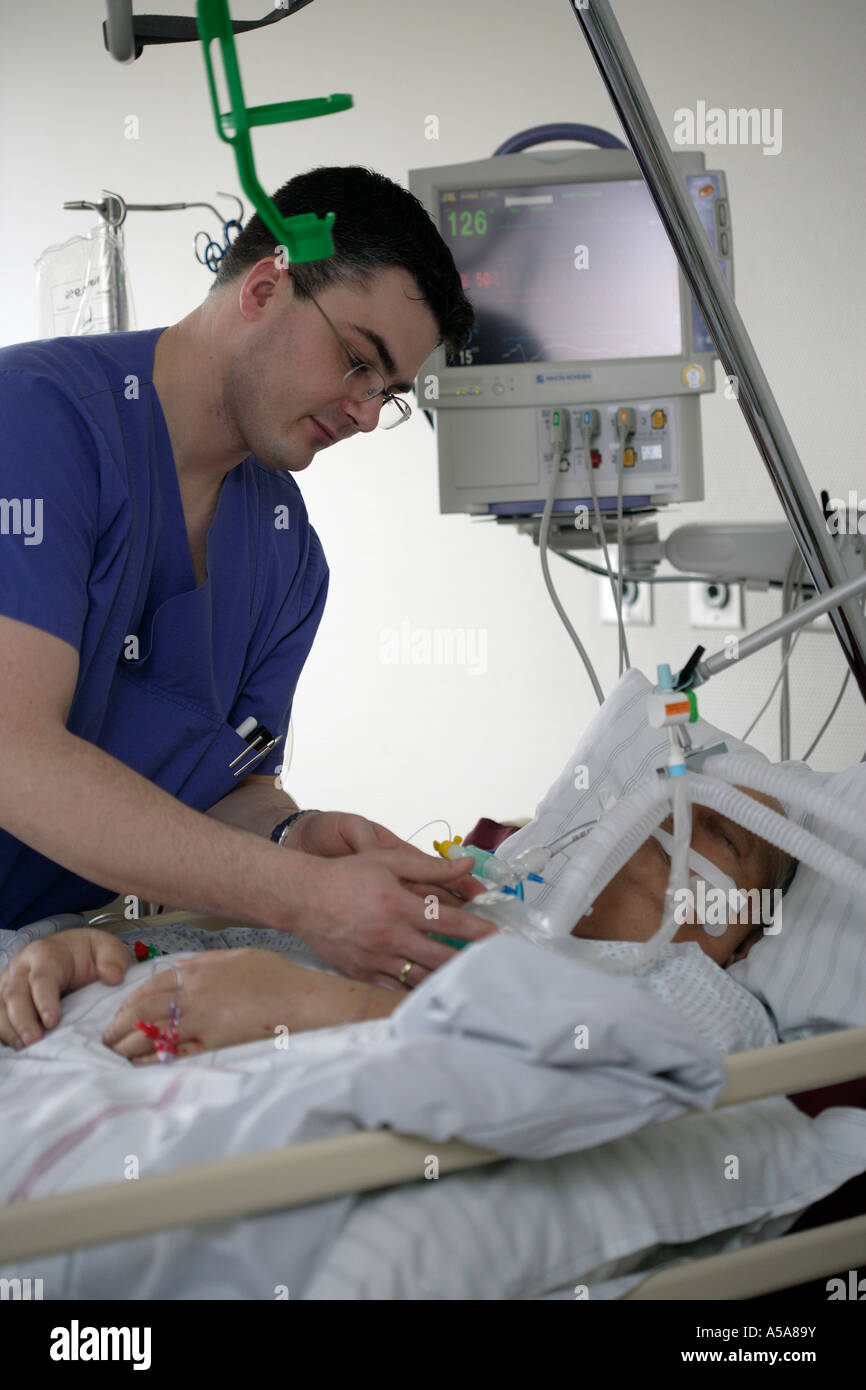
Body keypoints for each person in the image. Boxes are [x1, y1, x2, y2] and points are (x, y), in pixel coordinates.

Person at [0, 165, 493, 981]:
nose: (366, 414)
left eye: (390, 394)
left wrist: (296, 838)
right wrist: (299, 896)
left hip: (46, 957)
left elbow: (223, 783)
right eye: (358, 362)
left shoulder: (286, 553)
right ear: (266, 287)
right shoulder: (37, 424)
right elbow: (16, 754)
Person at [0, 790, 796, 1057]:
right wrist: (103, 947)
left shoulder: (694, 994)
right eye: (669, 801)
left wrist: (313, 1006)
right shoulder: (470, 908)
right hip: (104, 1021)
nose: (674, 821)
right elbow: (240, 945)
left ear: (745, 934)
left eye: (721, 836)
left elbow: (613, 1071)